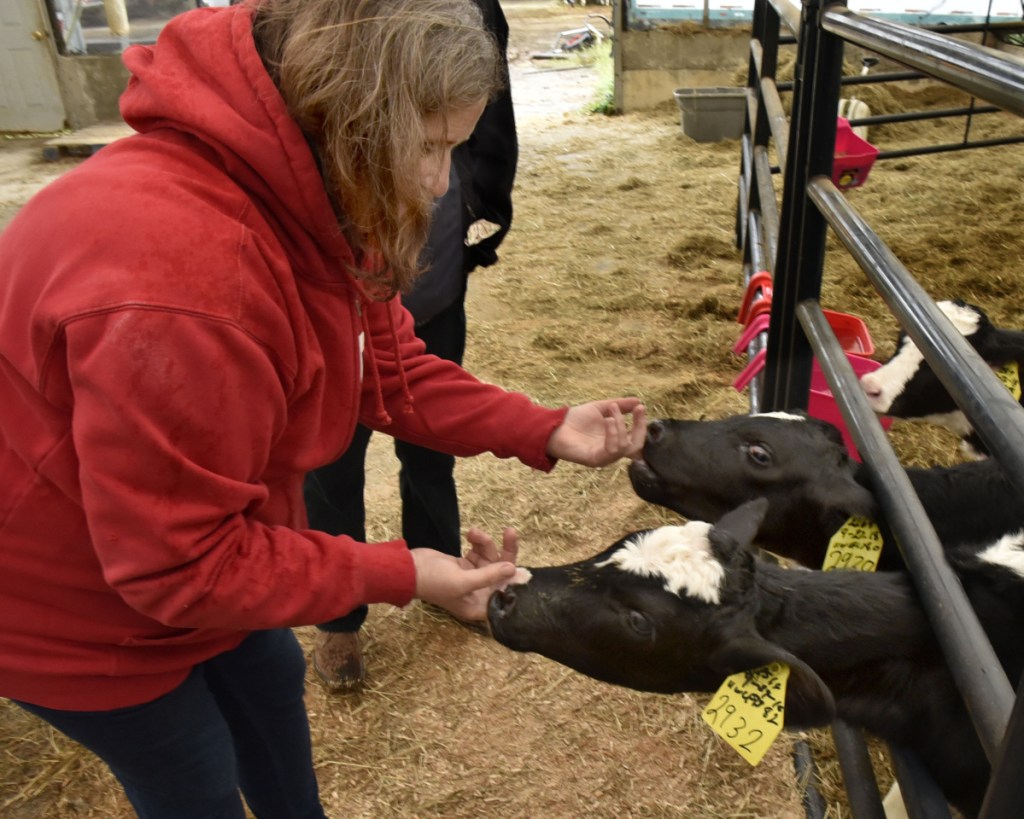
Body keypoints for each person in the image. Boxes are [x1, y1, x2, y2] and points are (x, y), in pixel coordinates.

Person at [0, 1, 646, 817]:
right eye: (430, 146)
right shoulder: (189, 287)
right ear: (352, 119)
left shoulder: (309, 188)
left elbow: (386, 365)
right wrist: (408, 570)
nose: (440, 183)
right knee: (192, 771)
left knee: (272, 683)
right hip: (77, 604)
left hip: (202, 549)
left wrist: (542, 425)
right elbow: (181, 568)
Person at [304, 0, 517, 693]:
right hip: (342, 273)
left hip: (429, 273)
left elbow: (489, 117)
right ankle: (339, 618)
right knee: (330, 455)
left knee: (430, 443)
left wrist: (483, 205)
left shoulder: (469, 16)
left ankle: (441, 570)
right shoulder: (336, 26)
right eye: (433, 151)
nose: (439, 174)